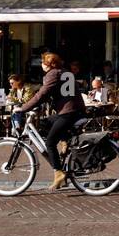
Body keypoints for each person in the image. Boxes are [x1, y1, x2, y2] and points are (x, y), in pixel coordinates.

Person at [17, 52, 85, 191]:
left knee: (49, 142)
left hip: (68, 113)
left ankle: (59, 173)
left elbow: (42, 93)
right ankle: (65, 140)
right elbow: (60, 93)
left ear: (48, 64)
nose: (41, 64)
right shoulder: (66, 72)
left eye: (42, 62)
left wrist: (24, 108)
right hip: (75, 110)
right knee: (45, 123)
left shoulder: (52, 74)